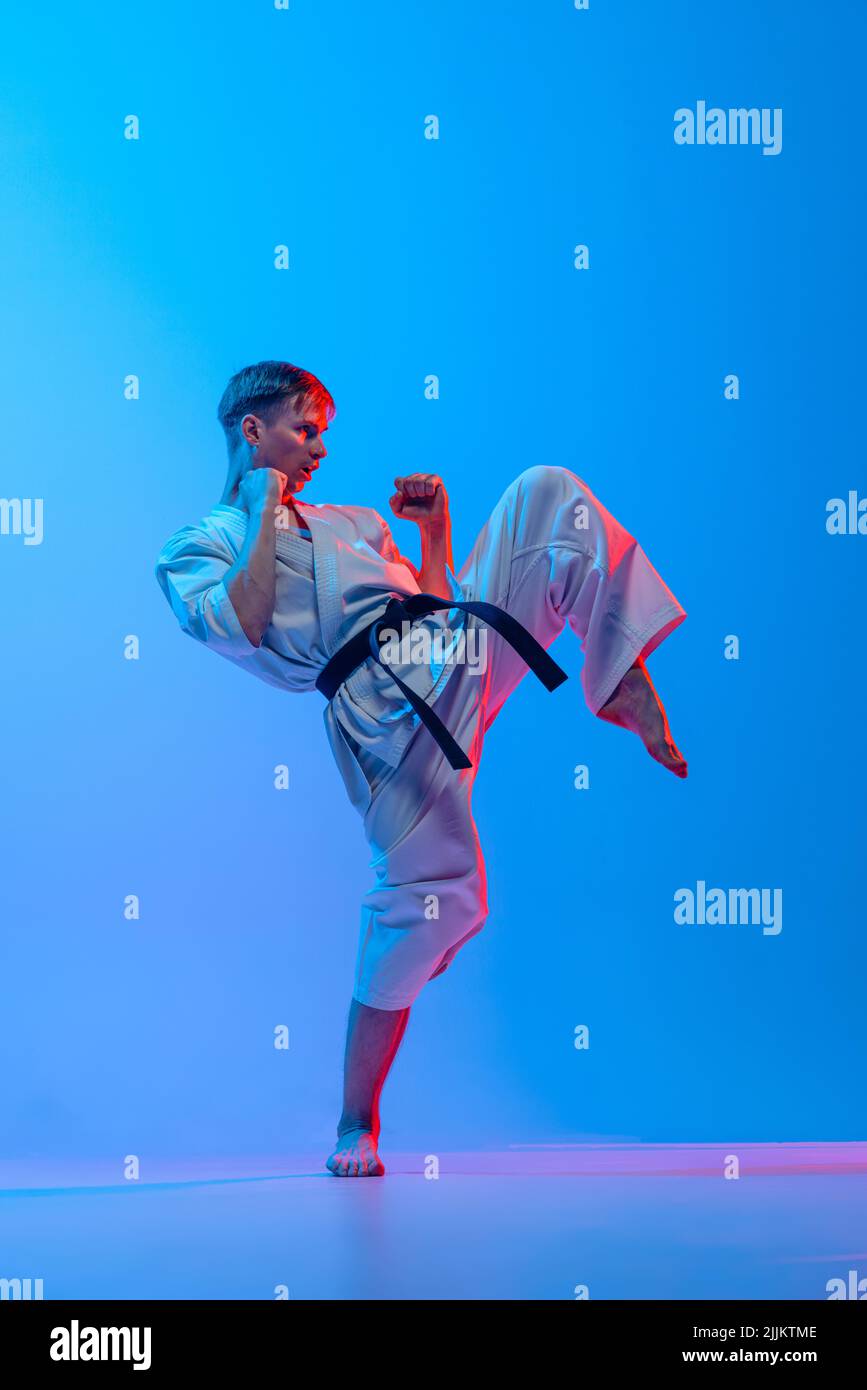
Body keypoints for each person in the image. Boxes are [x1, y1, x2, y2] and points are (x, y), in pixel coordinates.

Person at [155, 360, 688, 1177]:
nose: (319, 448)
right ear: (250, 431)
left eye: (323, 431)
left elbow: (438, 610)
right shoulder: (197, 547)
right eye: (305, 429)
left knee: (546, 493)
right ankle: (354, 1122)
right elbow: (244, 622)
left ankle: (615, 673)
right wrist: (261, 504)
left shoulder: (353, 523)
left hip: (442, 655)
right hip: (378, 719)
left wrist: (435, 537)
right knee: (436, 904)